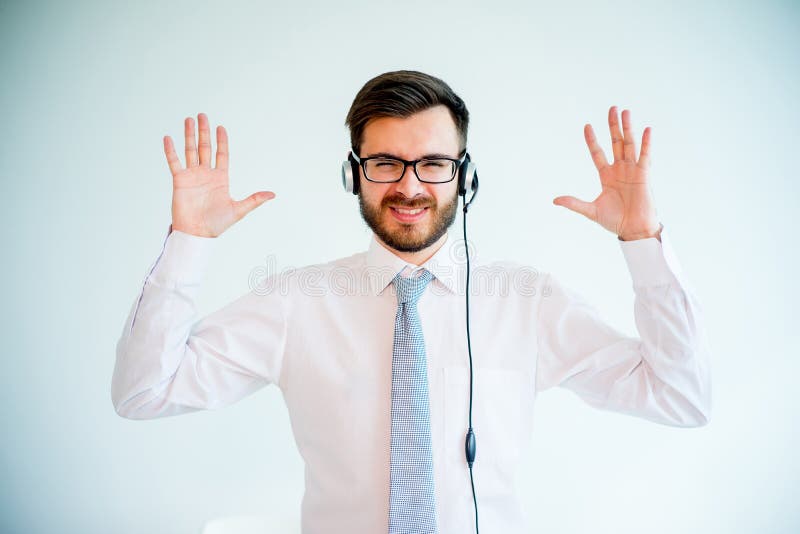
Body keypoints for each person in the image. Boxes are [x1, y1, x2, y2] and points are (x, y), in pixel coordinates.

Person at [111, 70, 712, 534]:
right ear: (354, 173)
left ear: (464, 175)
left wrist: (643, 242)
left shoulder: (529, 301)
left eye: (433, 163)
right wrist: (188, 241)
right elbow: (144, 393)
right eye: (384, 162)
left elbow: (681, 398)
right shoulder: (294, 301)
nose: (409, 185)